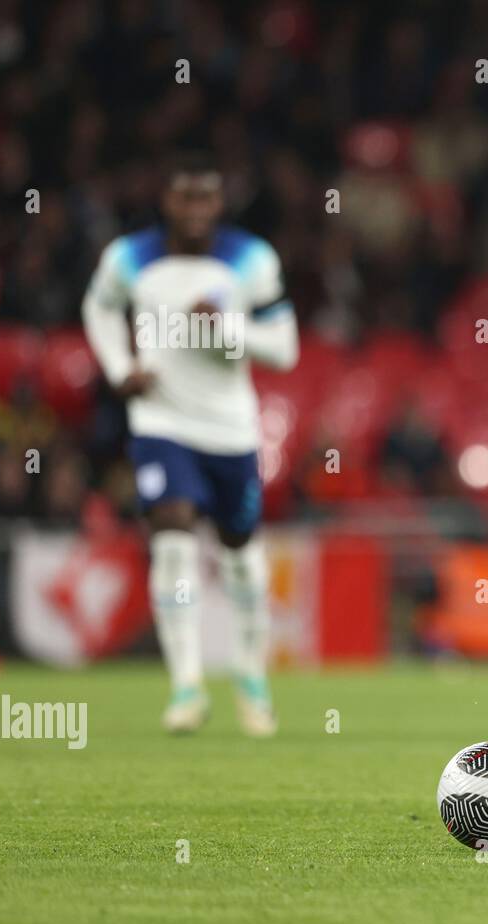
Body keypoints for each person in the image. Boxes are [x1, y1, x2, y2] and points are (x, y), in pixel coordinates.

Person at [82, 152, 299, 736]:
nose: (197, 209)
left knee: (240, 556)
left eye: (207, 197)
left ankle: (251, 679)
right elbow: (98, 308)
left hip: (230, 429)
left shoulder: (250, 259)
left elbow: (285, 347)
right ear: (166, 200)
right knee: (172, 539)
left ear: (220, 201)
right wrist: (118, 365)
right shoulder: (128, 257)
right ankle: (186, 686)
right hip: (161, 423)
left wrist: (228, 328)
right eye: (186, 197)